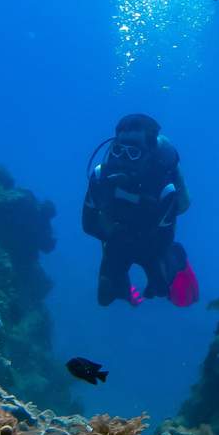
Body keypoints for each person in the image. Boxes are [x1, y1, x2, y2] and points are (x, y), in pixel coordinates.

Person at [82, 114, 196, 306]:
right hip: (116, 236)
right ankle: (126, 290)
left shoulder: (163, 187)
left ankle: (177, 258)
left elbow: (164, 239)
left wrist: (128, 242)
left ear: (149, 154)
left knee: (164, 290)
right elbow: (88, 224)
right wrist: (115, 236)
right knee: (106, 296)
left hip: (151, 240)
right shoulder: (101, 176)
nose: (122, 160)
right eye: (118, 150)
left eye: (133, 153)